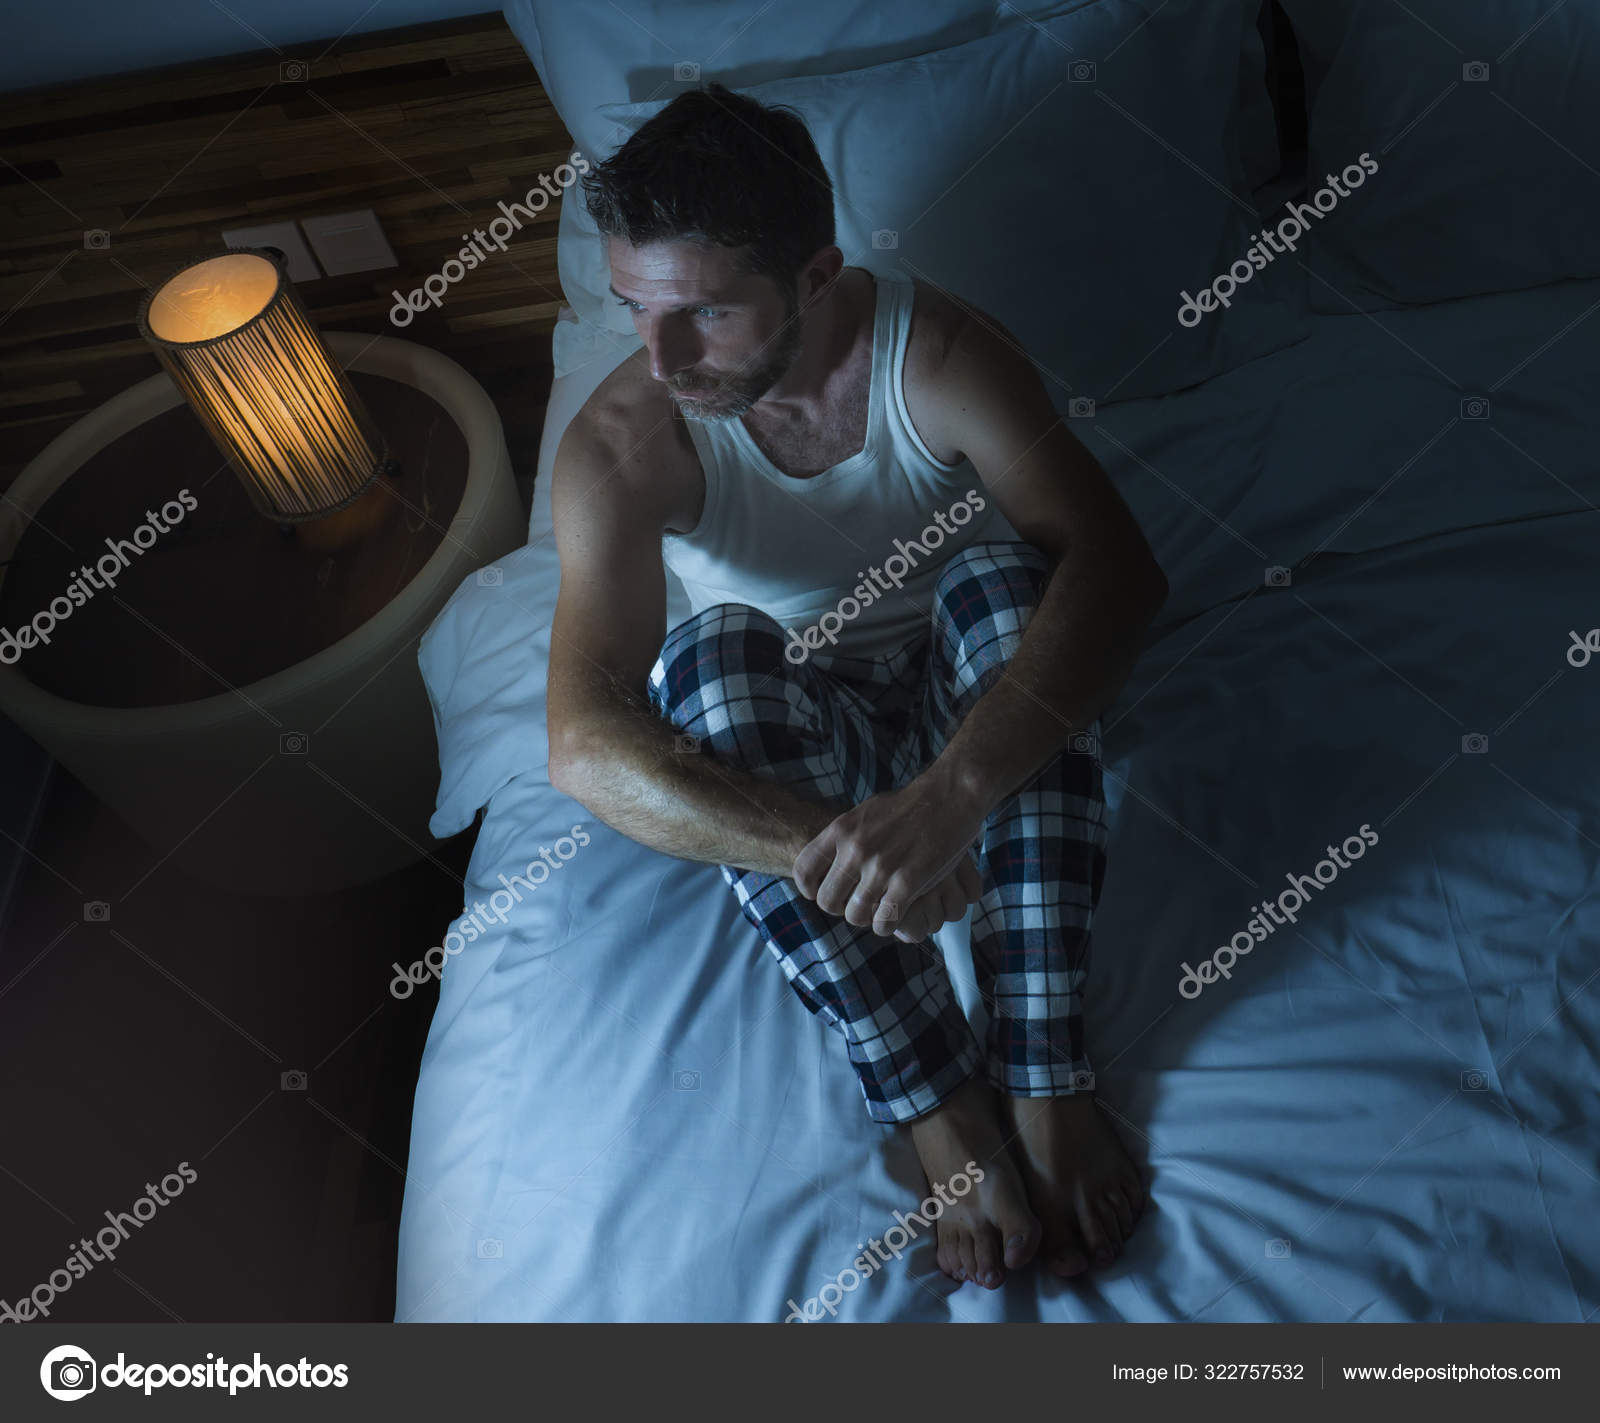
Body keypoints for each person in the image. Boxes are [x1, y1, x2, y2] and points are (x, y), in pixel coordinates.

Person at [546, 83, 1167, 1291]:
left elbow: (1119, 567)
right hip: (801, 725)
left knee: (1003, 583)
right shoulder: (624, 443)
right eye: (633, 308)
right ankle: (938, 1103)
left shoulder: (935, 356)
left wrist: (953, 794)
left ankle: (1043, 1079)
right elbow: (583, 743)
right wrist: (839, 847)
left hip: (966, 689)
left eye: (707, 314)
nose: (660, 358)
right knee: (707, 665)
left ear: (818, 274)